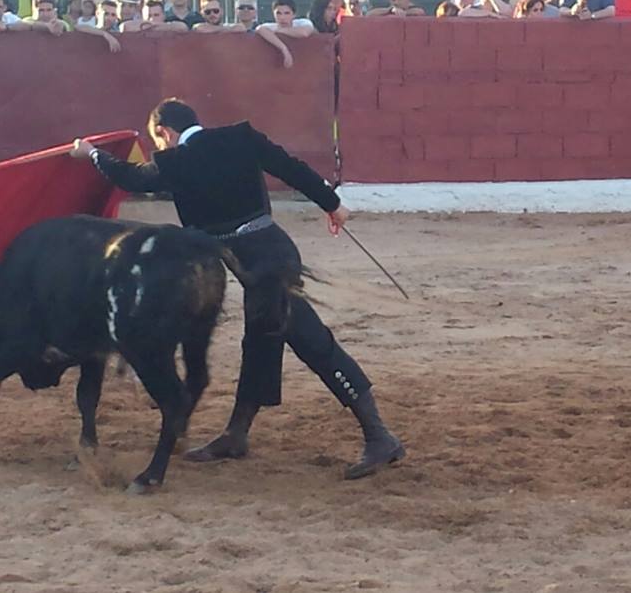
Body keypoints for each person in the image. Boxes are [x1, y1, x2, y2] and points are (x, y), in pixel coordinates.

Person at [69, 98, 405, 480]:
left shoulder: (175, 161)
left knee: (311, 341)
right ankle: (236, 434)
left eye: (158, 141)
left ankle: (380, 435)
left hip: (265, 264)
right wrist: (333, 204)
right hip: (268, 252)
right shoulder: (240, 137)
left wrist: (92, 153)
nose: (161, 148)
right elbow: (290, 168)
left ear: (164, 132)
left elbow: (132, 178)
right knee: (260, 342)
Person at [255, 0, 315, 68]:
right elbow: (260, 29)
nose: (282, 17)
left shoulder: (303, 22)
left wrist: (278, 31)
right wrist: (284, 49)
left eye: (287, 13)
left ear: (294, 15)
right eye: (278, 13)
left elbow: (304, 33)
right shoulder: (270, 27)